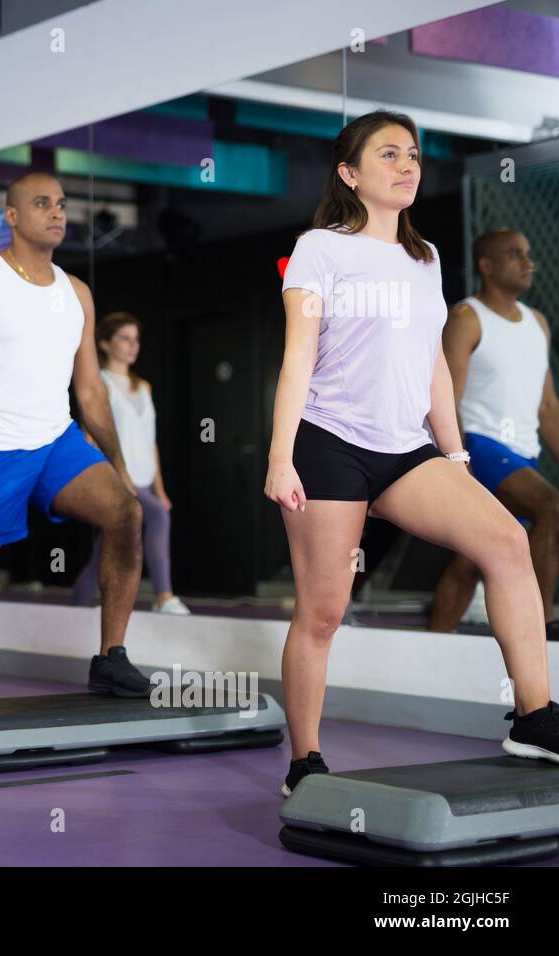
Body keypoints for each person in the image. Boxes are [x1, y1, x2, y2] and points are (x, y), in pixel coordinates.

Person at [266, 111, 559, 797]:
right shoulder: (319, 250)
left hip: (407, 448)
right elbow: (297, 359)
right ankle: (305, 759)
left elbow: (431, 368)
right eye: (389, 154)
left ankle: (534, 716)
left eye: (415, 155)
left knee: (509, 543)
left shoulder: (423, 259)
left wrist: (454, 457)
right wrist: (281, 458)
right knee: (323, 611)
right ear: (350, 173)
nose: (407, 165)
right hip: (330, 442)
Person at [0, 172, 148, 704]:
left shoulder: (76, 293)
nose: (57, 212)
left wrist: (118, 467)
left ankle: (110, 659)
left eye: (62, 204)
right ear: (11, 216)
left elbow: (90, 390)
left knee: (126, 513)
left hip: (55, 441)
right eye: (43, 203)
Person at [428, 228, 559, 638]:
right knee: (551, 508)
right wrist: (454, 463)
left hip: (523, 455)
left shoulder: (537, 323)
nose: (527, 262)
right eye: (514, 255)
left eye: (528, 253)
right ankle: (539, 627)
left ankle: (434, 644)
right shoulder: (467, 318)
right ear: (486, 266)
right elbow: (448, 396)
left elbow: (548, 407)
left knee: (472, 561)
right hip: (481, 446)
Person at [73, 311, 189, 614]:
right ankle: (164, 597)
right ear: (105, 343)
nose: (132, 345)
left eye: (136, 339)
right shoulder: (99, 384)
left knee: (108, 544)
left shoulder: (144, 388)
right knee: (157, 520)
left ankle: (77, 603)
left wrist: (159, 490)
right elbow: (90, 437)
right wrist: (102, 480)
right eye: (124, 338)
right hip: (115, 479)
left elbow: (151, 443)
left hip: (143, 480)